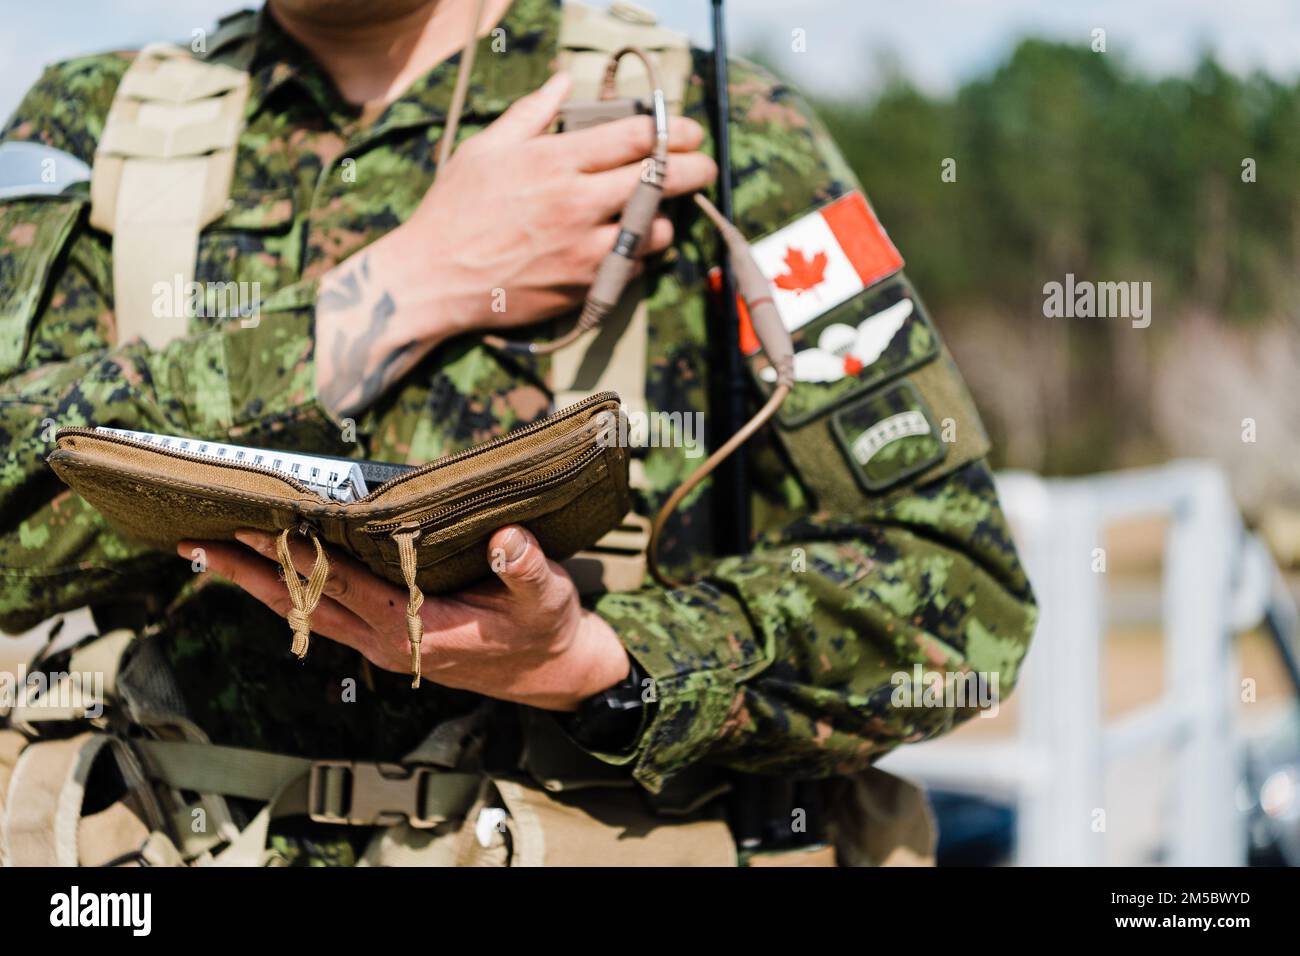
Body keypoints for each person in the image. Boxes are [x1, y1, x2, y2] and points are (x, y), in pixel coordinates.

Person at [0, 0, 1037, 866]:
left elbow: (960, 594)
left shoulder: (708, 129)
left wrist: (609, 664)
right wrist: (385, 300)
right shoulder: (93, 130)